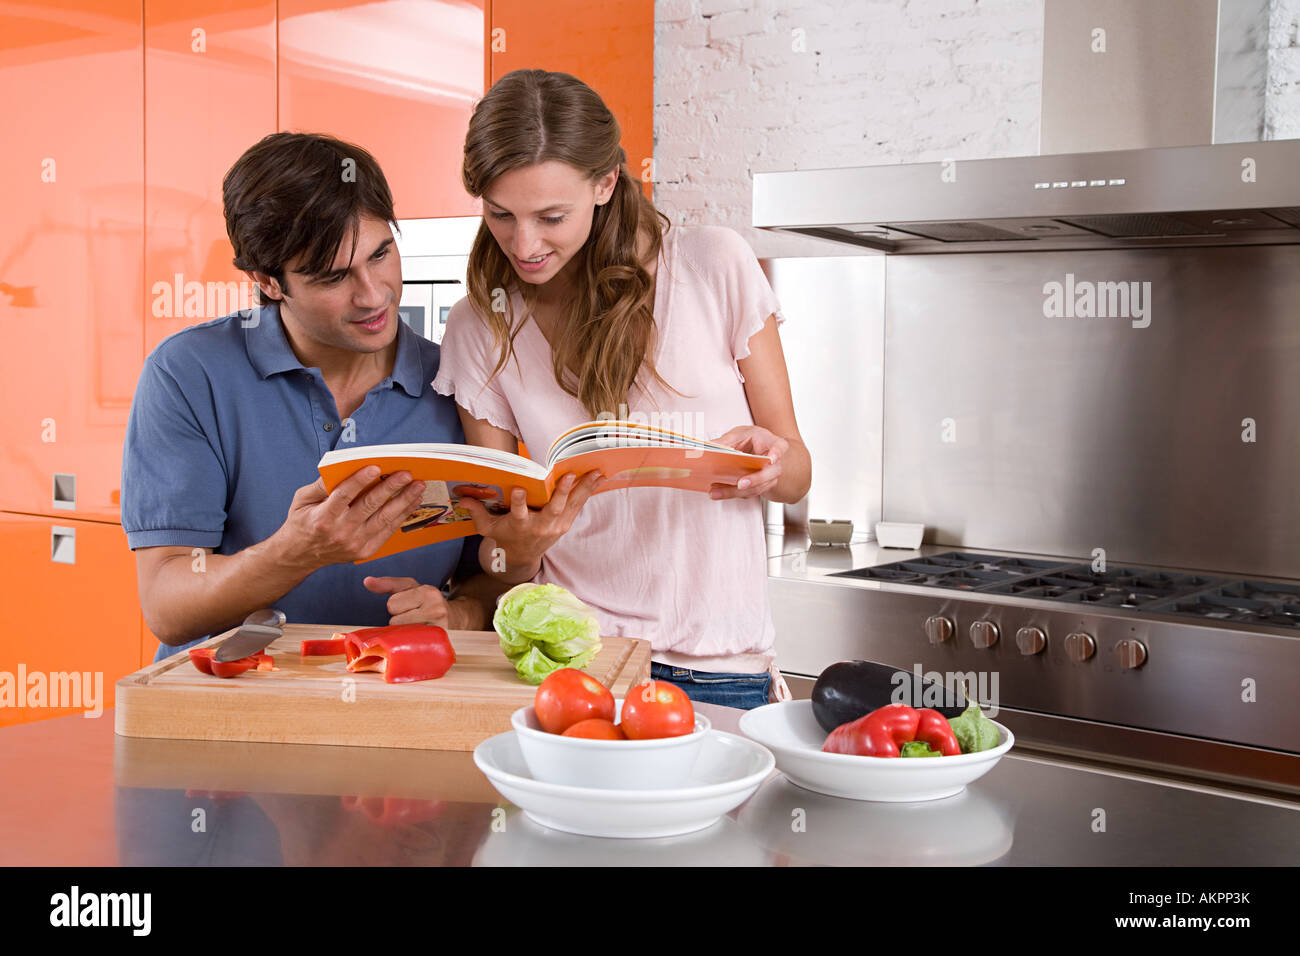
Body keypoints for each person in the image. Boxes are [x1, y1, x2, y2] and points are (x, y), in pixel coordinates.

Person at [433, 70, 812, 709]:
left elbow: (798, 473)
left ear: (607, 183)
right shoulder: (480, 323)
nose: (524, 245)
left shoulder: (714, 265)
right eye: (501, 215)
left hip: (721, 667)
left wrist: (769, 460)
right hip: (574, 664)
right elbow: (502, 561)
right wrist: (519, 546)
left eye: (551, 216)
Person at [123, 132, 498, 661]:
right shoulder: (188, 373)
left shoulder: (458, 380)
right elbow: (167, 606)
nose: (373, 295)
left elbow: (491, 575)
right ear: (269, 282)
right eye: (333, 277)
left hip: (403, 702)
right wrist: (295, 553)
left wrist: (460, 614)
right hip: (229, 706)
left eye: (381, 253)